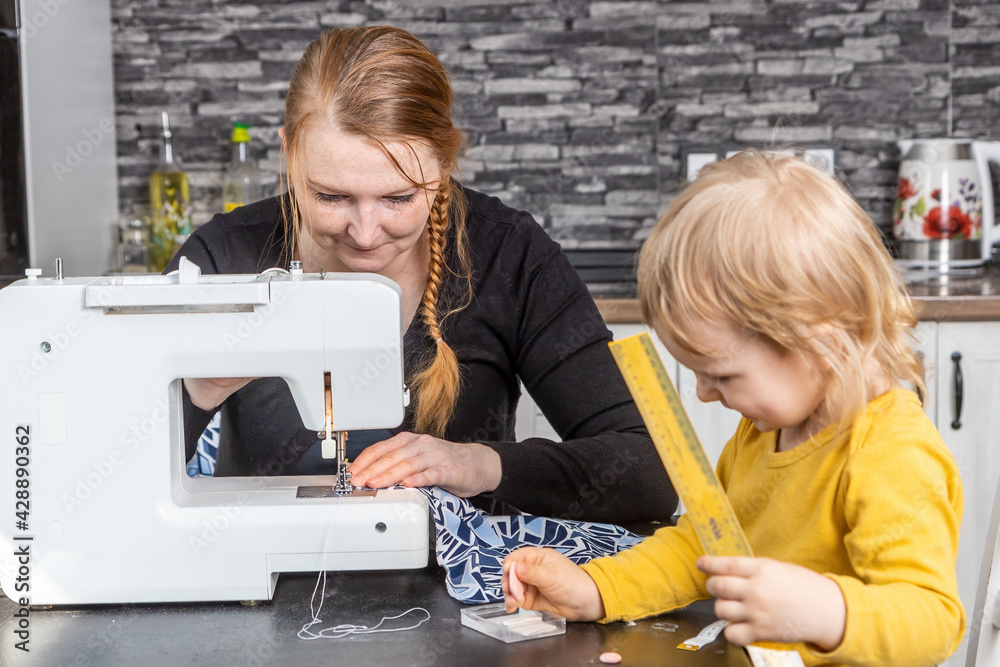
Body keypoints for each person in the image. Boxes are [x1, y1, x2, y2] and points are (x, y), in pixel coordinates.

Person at [169, 25, 677, 523]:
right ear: (288, 152)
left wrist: (480, 464)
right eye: (330, 196)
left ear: (444, 166)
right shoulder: (221, 258)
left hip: (463, 595)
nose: (365, 234)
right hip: (262, 586)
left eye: (398, 197)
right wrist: (196, 393)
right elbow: (99, 476)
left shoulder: (510, 256)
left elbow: (655, 473)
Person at [501, 150, 965, 666]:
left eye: (721, 375)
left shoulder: (890, 452)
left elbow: (932, 620)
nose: (702, 393)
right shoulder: (760, 434)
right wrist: (595, 588)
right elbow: (699, 551)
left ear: (820, 341)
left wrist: (823, 611)